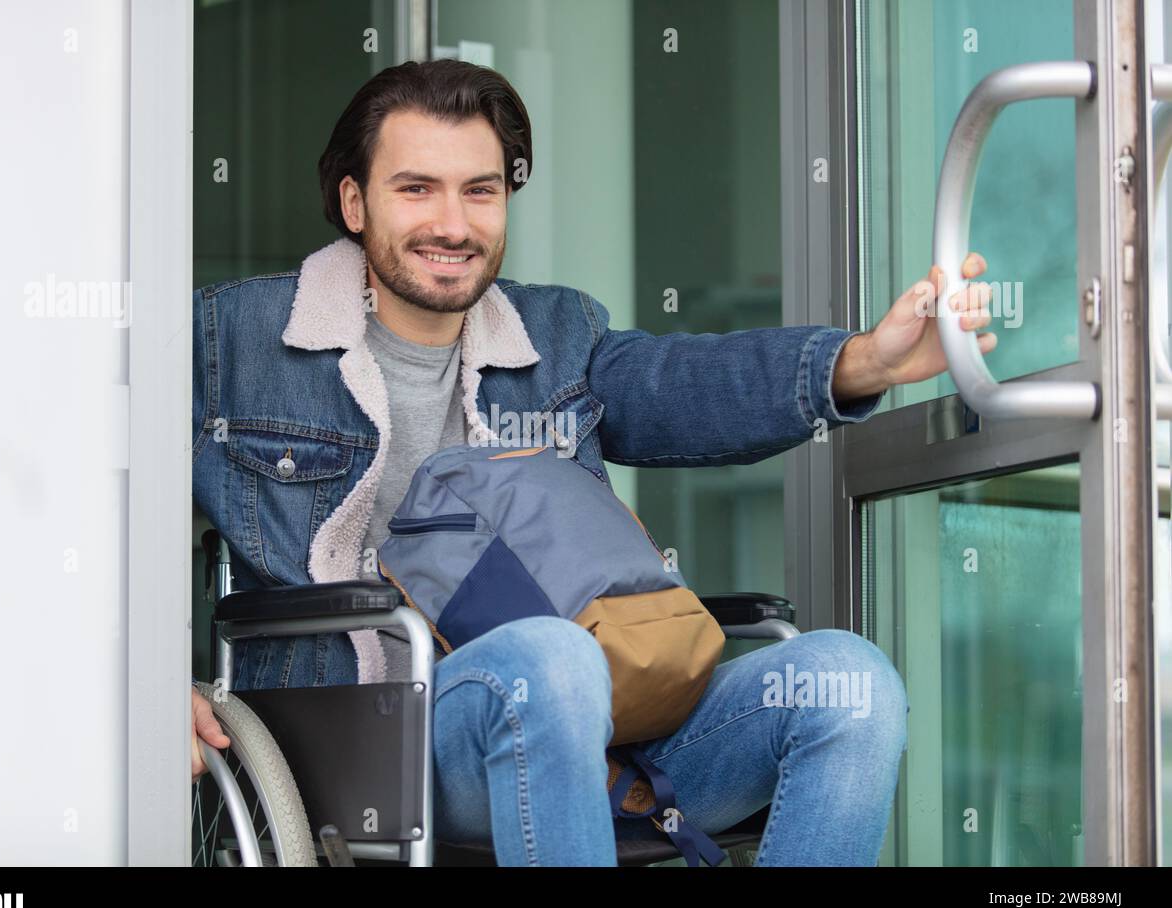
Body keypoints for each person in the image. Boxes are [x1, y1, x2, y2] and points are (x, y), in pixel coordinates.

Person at [189, 59, 997, 863]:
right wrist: (160, 684)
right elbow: (106, 501)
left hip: (605, 740)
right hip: (366, 751)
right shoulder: (234, 343)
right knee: (550, 655)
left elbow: (686, 385)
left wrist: (866, 363)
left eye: (480, 190)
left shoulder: (559, 337)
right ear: (354, 202)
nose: (453, 224)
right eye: (416, 189)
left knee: (846, 683)